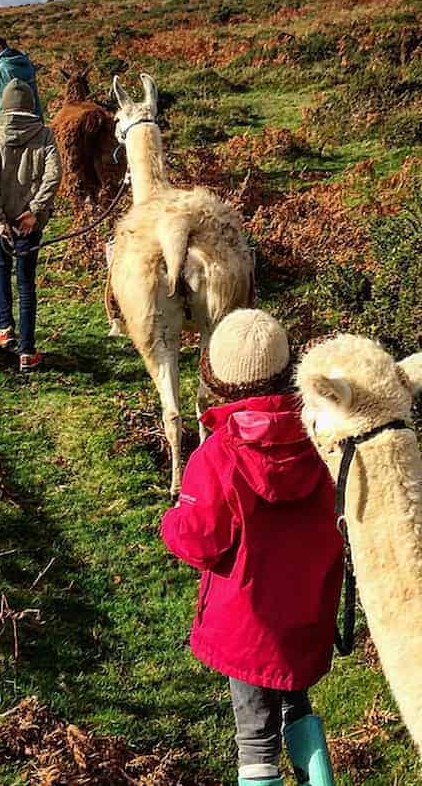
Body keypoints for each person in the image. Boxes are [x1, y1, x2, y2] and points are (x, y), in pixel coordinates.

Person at [161, 309, 343, 786]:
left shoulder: (217, 455)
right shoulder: (322, 441)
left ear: (216, 380)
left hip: (247, 626)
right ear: (289, 372)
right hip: (305, 616)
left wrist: (172, 521)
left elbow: (203, 541)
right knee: (296, 705)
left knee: (255, 740)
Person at [0, 78, 62, 373]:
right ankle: (27, 352)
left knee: (1, 270)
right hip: (30, 223)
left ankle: (5, 329)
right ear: (30, 104)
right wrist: (34, 211)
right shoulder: (44, 134)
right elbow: (53, 176)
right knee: (26, 284)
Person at [0, 36, 43, 120]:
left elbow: (1, 103)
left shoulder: (2, 70)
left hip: (11, 124)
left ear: (0, 48)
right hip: (34, 120)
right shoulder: (26, 64)